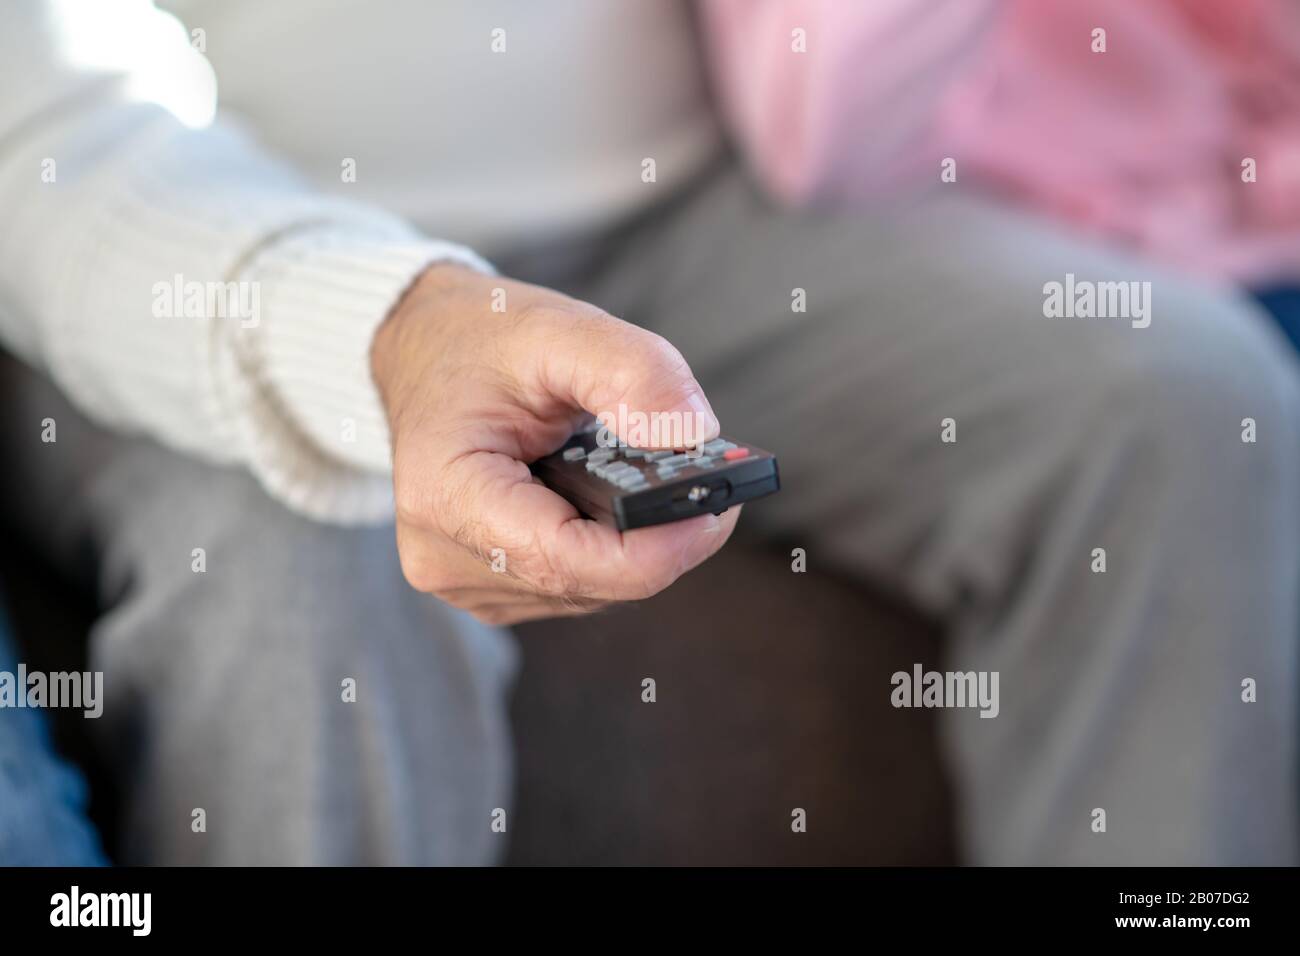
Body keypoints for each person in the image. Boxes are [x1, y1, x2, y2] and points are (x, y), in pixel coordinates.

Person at [0, 0, 1295, 865]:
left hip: (694, 202)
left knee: (1185, 403)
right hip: (192, 248)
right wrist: (384, 334)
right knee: (321, 554)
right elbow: (44, 129)